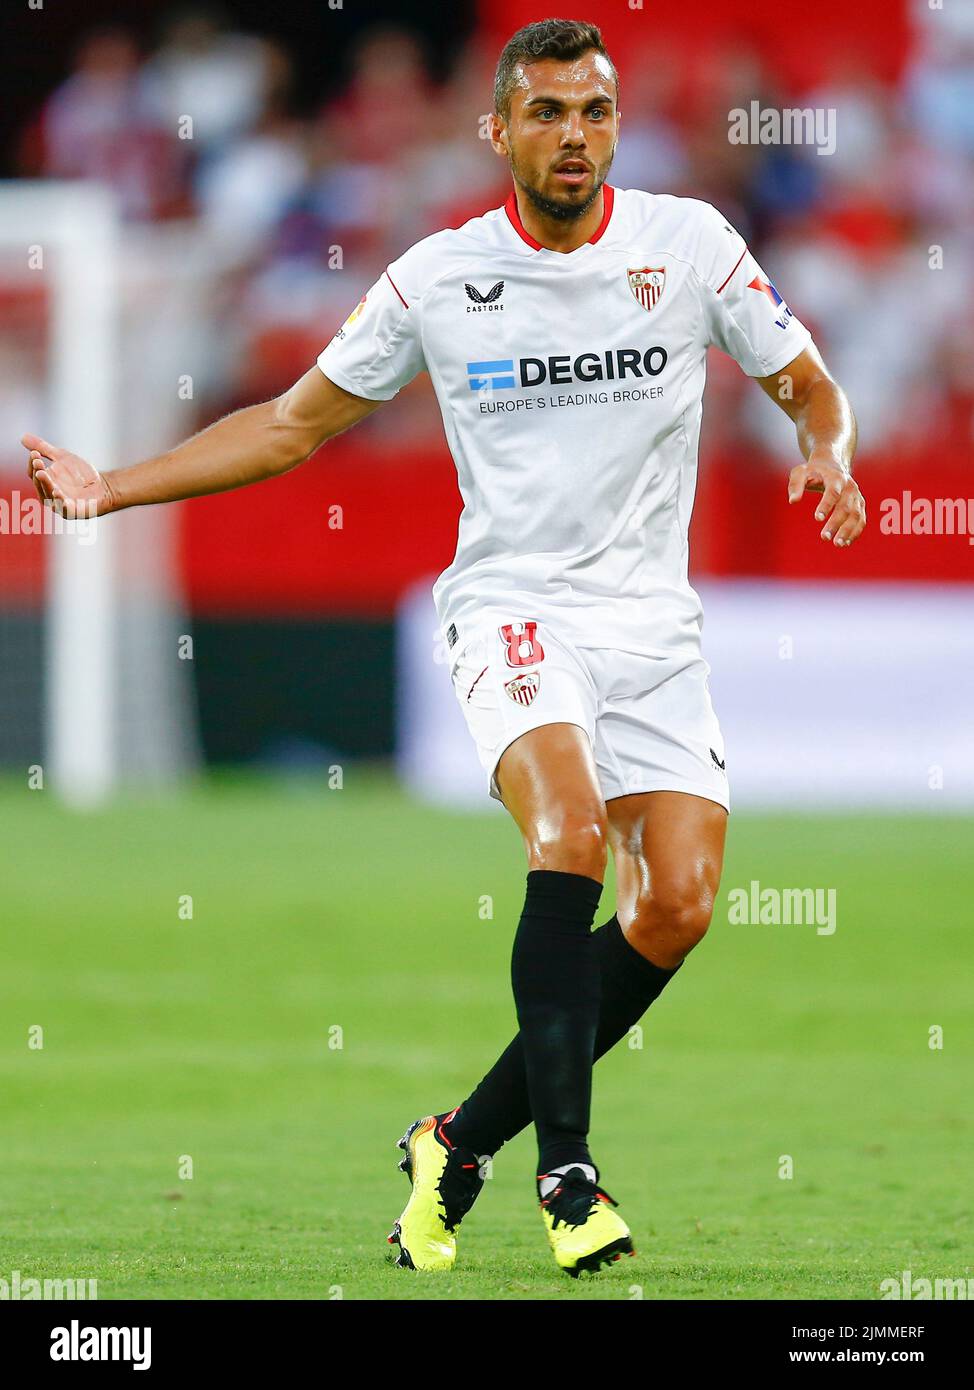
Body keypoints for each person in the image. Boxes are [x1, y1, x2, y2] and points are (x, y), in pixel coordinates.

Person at [22, 18, 865, 1279]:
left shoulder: (688, 246)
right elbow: (289, 426)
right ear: (498, 131)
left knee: (677, 905)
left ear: (614, 125)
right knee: (567, 833)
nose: (572, 136)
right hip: (510, 606)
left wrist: (824, 444)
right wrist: (113, 485)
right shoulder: (435, 279)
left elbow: (803, 378)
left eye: (591, 112)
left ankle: (454, 1143)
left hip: (650, 621)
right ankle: (568, 1175)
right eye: (546, 114)